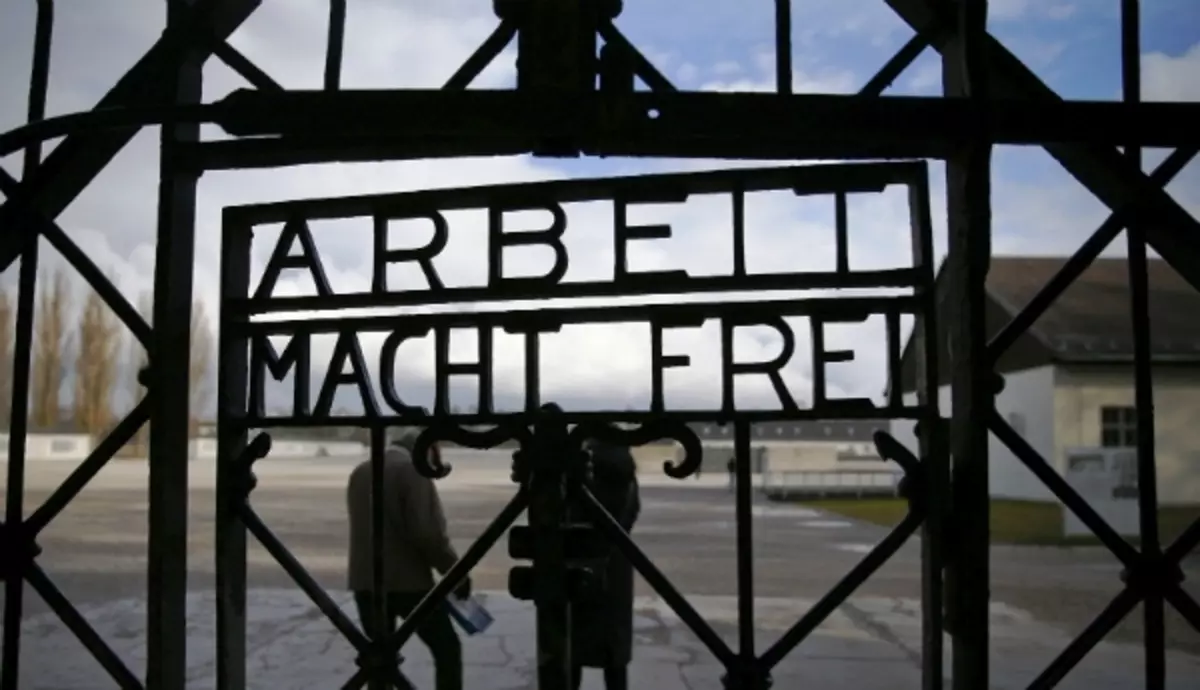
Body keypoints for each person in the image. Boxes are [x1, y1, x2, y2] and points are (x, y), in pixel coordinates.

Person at [346, 428, 468, 690]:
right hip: (407, 583)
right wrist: (455, 572)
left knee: (380, 661)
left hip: (364, 582)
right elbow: (428, 534)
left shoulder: (361, 471)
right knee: (446, 648)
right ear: (426, 449)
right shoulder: (413, 471)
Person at [569, 439, 642, 690]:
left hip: (582, 558)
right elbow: (633, 512)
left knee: (572, 650)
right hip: (617, 565)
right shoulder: (627, 475)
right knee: (615, 656)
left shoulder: (582, 470)